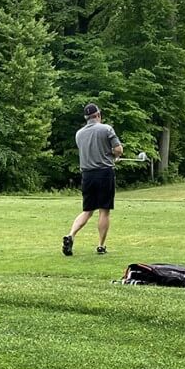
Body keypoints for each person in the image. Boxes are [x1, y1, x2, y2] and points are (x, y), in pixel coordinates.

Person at [63, 102, 122, 256]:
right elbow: (118, 149)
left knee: (87, 211)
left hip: (87, 175)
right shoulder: (106, 129)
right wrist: (114, 156)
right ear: (98, 115)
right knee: (104, 210)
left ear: (86, 117)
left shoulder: (79, 134)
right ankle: (101, 245)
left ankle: (71, 235)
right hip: (104, 173)